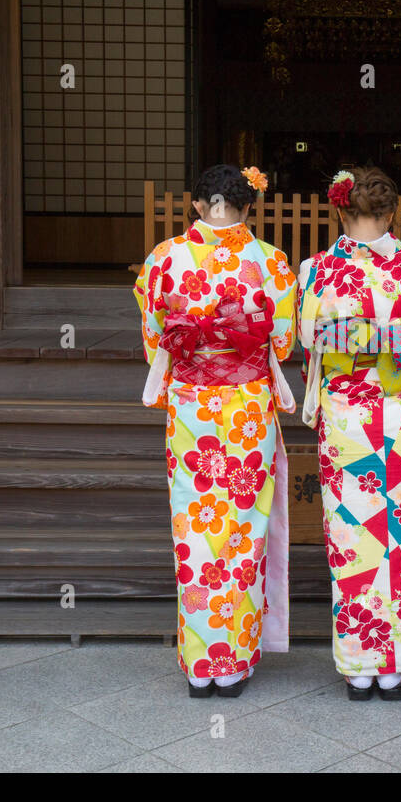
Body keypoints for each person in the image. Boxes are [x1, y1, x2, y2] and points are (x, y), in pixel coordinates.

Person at [133, 164, 297, 698]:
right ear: (249, 207)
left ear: (199, 206)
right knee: (243, 528)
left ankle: (200, 665)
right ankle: (234, 665)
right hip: (247, 403)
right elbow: (283, 343)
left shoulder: (163, 260)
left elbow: (156, 335)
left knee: (194, 526)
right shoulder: (271, 263)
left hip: (190, 406)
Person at [297, 167, 401, 701]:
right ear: (393, 213)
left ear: (340, 210)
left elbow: (306, 339)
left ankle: (359, 665)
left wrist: (353, 337)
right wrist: (395, 337)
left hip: (345, 412)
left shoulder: (317, 269)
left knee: (352, 533)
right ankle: (394, 666)